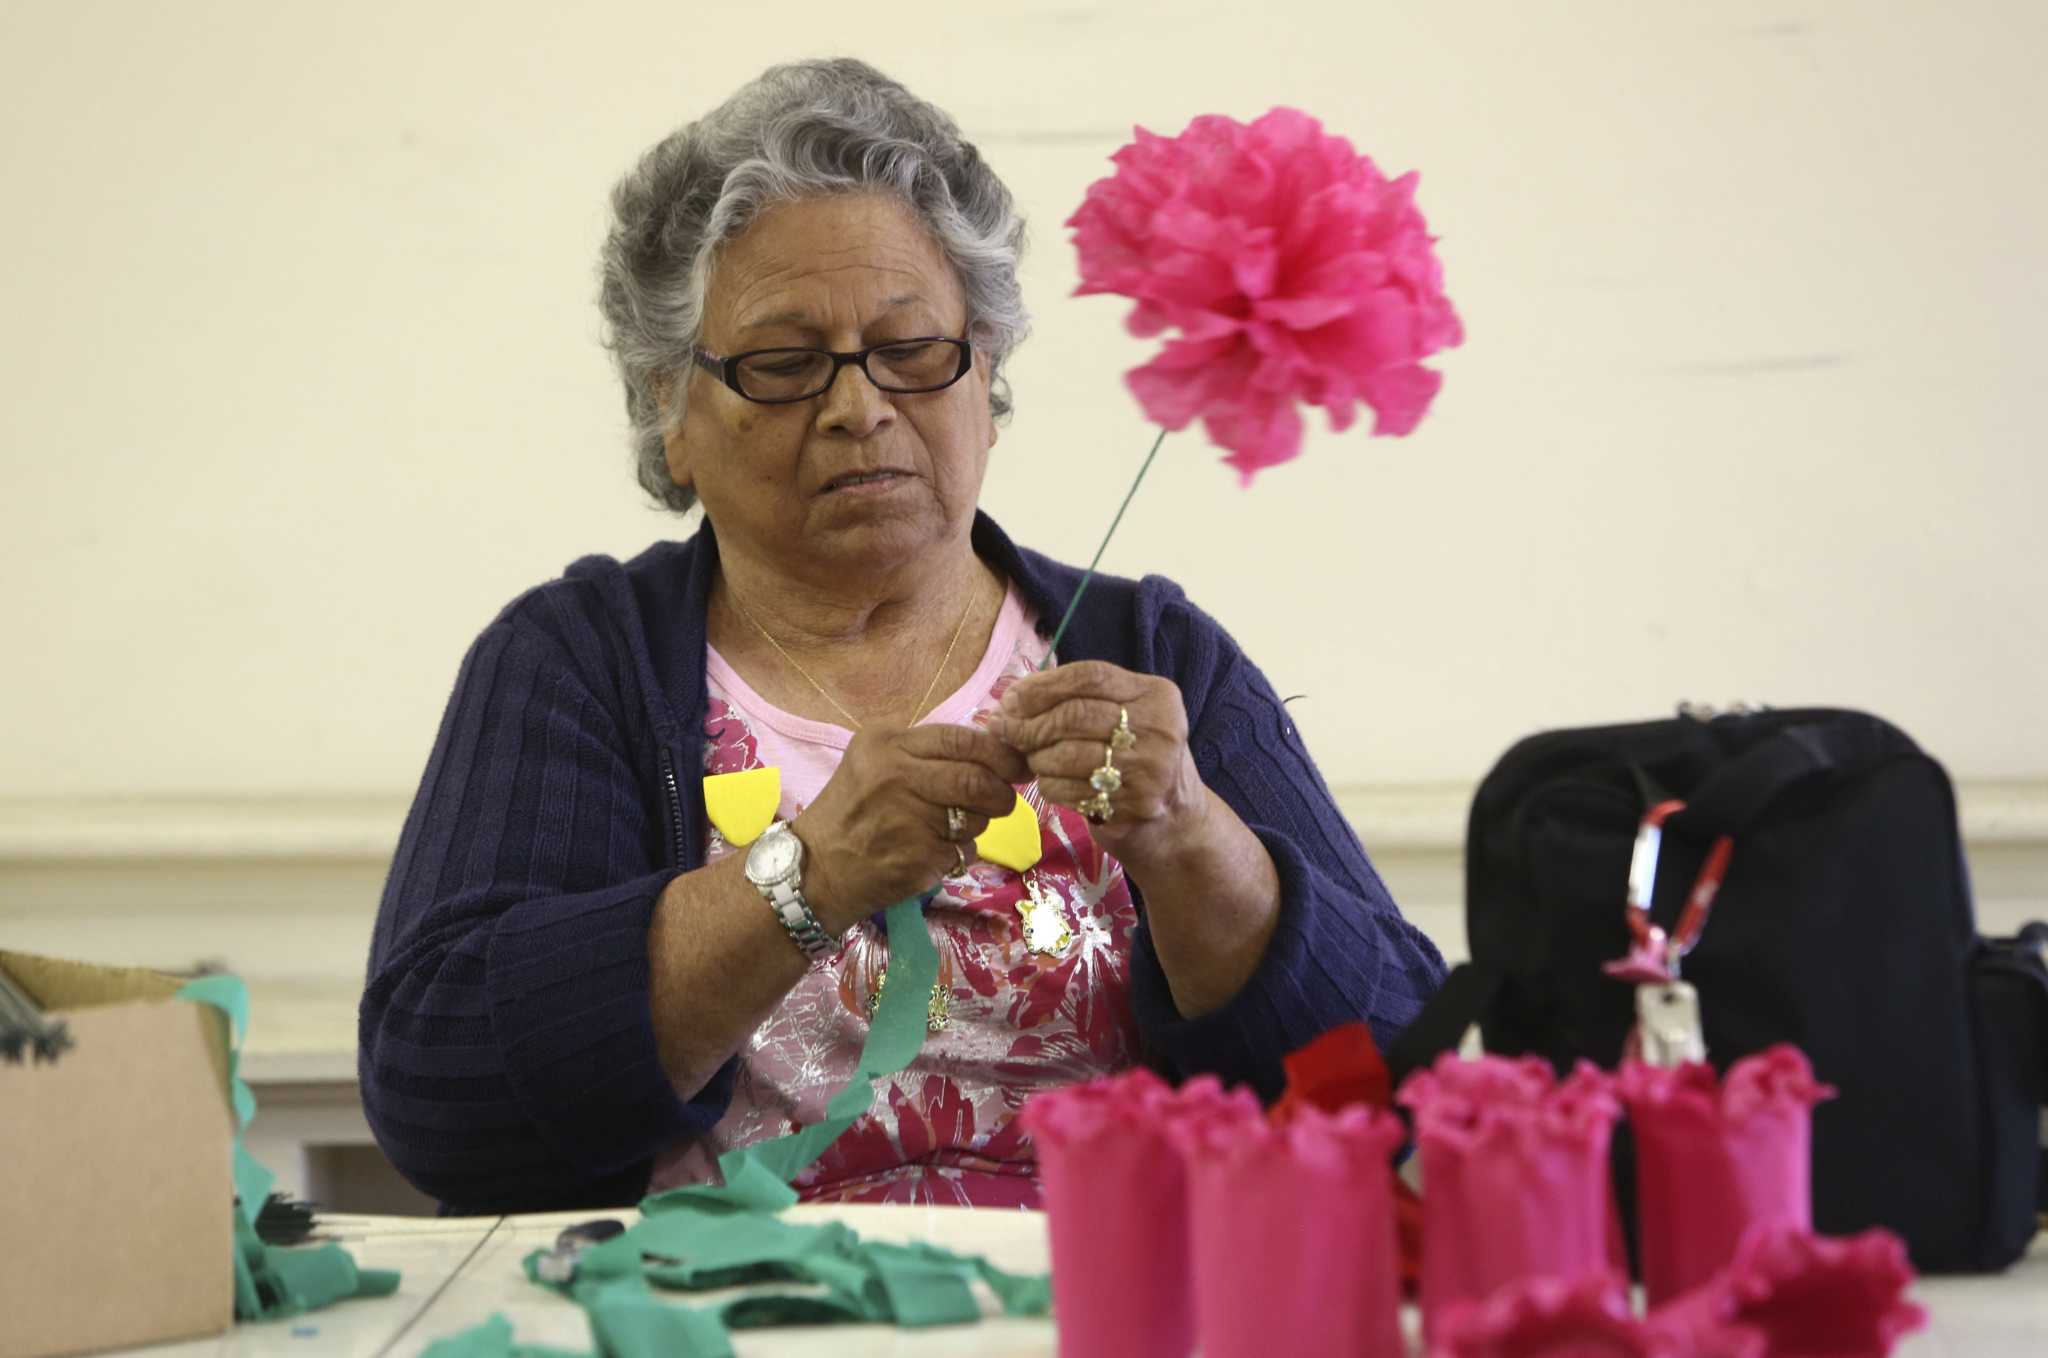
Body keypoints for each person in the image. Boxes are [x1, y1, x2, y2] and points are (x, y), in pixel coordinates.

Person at [360, 57, 1445, 1214]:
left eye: (910, 350)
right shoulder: (575, 663)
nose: (857, 405)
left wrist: (1186, 838)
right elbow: (444, 1092)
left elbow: (1402, 1084)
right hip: (718, 1319)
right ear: (668, 412)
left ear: (985, 373)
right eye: (783, 364)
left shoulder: (1152, 650)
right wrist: (807, 875)